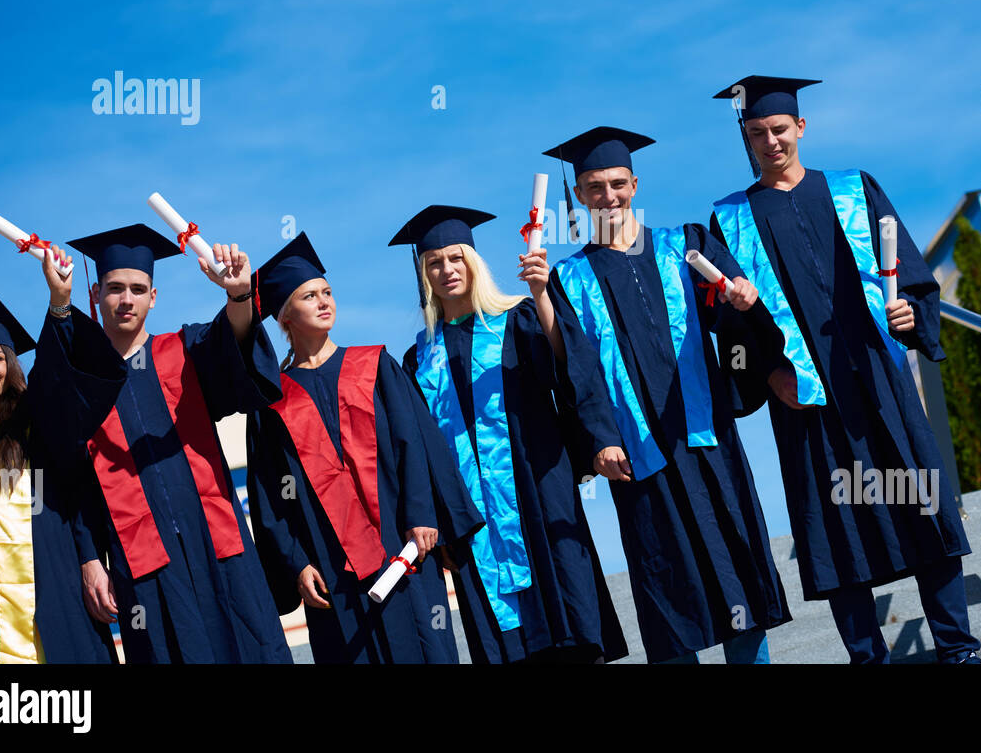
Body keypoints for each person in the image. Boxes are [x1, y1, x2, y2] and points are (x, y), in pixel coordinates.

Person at [709, 75, 981, 664]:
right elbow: (730, 330)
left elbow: (909, 273)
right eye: (757, 133)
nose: (771, 142)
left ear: (800, 127)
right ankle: (867, 659)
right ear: (747, 139)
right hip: (805, 397)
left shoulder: (855, 189)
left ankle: (957, 650)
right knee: (835, 532)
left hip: (878, 382)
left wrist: (910, 311)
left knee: (923, 508)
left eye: (779, 129)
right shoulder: (729, 219)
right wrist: (767, 378)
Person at [542, 126, 792, 664]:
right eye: (593, 187)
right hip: (638, 455)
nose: (607, 195)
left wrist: (742, 301)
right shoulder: (570, 278)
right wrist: (600, 441)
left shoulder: (689, 244)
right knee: (668, 588)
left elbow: (728, 313)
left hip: (707, 440)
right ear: (580, 196)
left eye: (616, 183)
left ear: (634, 183)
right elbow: (579, 369)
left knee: (737, 570)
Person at [39, 223, 292, 663]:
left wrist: (238, 296)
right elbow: (70, 475)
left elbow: (233, 344)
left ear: (153, 297)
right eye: (114, 288)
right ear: (95, 294)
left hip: (217, 539)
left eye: (138, 289)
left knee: (250, 646)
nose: (126, 299)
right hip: (141, 561)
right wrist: (89, 559)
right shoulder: (82, 382)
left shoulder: (186, 349)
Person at [392, 205, 628, 664]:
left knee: (569, 625)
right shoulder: (418, 359)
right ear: (423, 275)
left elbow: (566, 370)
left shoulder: (517, 321)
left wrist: (541, 296)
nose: (446, 270)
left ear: (474, 262)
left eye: (456, 257)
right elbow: (418, 450)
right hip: (471, 519)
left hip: (538, 494)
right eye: (434, 262)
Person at [246, 232, 483, 664]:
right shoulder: (271, 404)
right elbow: (270, 496)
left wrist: (422, 516)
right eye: (309, 296)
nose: (324, 302)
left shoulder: (374, 366)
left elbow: (416, 443)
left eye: (327, 292)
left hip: (403, 545)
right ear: (284, 317)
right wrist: (297, 563)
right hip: (329, 568)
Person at [0, 250, 115, 663]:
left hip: (60, 594)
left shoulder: (37, 424)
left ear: (11, 363)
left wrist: (58, 303)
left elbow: (55, 371)